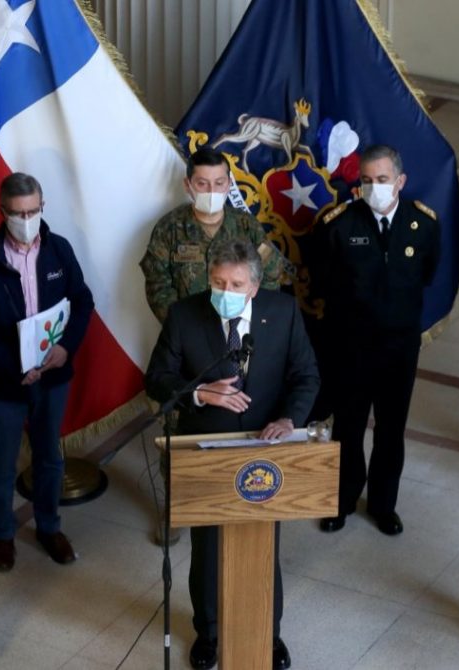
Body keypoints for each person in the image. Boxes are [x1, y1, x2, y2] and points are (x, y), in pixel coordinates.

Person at [145, 239, 319, 670]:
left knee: (264, 545)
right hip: (205, 449)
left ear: (254, 287)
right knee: (207, 550)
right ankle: (209, 634)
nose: (225, 290)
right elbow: (157, 379)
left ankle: (269, 634)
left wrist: (288, 420)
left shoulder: (282, 312)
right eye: (218, 282)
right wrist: (200, 393)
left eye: (235, 283)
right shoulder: (186, 315)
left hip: (266, 447)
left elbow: (306, 376)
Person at [0, 172, 94, 572]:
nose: (26, 219)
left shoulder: (59, 251)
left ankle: (49, 527)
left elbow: (82, 300)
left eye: (33, 211)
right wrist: (14, 365)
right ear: (2, 212)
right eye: (18, 213)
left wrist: (65, 348)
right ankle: (2, 534)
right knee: (0, 464)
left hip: (52, 376)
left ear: (42, 207)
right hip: (5, 382)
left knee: (49, 458)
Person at [313, 144, 440, 535]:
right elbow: (322, 281)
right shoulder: (338, 223)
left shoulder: (423, 224)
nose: (373, 187)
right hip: (350, 347)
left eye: (382, 180)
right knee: (347, 428)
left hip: (399, 349)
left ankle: (384, 505)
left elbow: (429, 274)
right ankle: (343, 500)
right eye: (366, 180)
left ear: (400, 181)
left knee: (391, 429)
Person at [140, 146, 283, 324]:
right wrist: (186, 328)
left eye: (219, 183)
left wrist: (251, 319)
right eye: (202, 183)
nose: (211, 191)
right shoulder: (168, 229)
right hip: (190, 334)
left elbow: (272, 273)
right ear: (188, 185)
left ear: (229, 184)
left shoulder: (247, 226)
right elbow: (158, 288)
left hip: (241, 331)